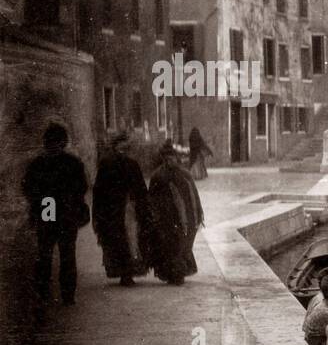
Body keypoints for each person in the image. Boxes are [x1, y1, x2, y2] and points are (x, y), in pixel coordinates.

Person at [21, 122, 89, 305]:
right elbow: (82, 187)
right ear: (64, 142)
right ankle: (67, 295)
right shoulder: (73, 163)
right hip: (66, 213)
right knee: (67, 255)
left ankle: (43, 293)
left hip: (47, 210)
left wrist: (39, 202)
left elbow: (27, 187)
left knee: (45, 254)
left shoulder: (38, 163)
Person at [92, 130, 152, 286]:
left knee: (126, 239)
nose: (123, 149)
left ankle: (125, 273)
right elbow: (100, 189)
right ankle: (125, 273)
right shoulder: (118, 163)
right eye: (122, 146)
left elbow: (139, 188)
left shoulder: (122, 163)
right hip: (118, 209)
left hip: (123, 209)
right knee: (125, 239)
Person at [148, 140, 204, 285]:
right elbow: (152, 198)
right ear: (163, 159)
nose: (169, 160)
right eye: (166, 158)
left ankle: (178, 273)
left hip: (185, 219)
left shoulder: (185, 175)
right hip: (166, 218)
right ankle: (175, 274)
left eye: (172, 157)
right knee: (170, 246)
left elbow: (194, 196)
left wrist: (198, 214)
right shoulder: (158, 176)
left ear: (176, 158)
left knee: (182, 245)